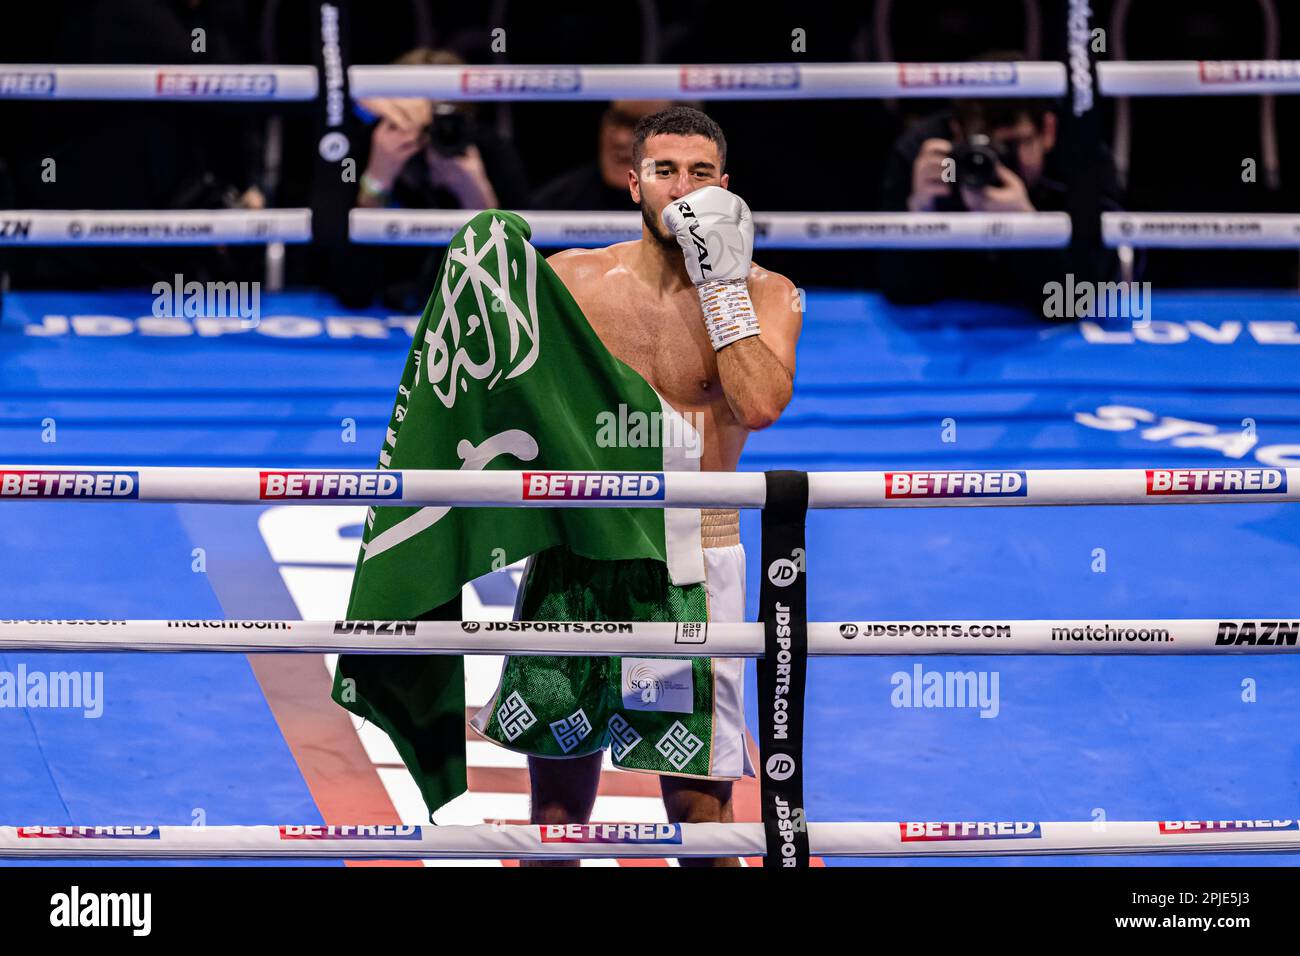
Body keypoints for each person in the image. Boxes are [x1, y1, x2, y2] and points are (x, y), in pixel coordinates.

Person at [470, 106, 802, 867]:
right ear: (632, 181)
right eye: (663, 171)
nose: (681, 189)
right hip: (575, 552)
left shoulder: (770, 294)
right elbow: (498, 405)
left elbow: (757, 404)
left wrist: (720, 288)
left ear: (726, 185)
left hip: (691, 562)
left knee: (700, 817)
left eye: (699, 173)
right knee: (553, 816)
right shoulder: (569, 282)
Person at [879, 88, 1123, 308]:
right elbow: (901, 294)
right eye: (986, 147)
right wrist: (920, 217)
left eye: (1015, 143)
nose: (999, 160)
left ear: (1048, 130)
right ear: (957, 132)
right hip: (952, 326)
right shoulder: (929, 159)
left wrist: (1028, 229)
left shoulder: (1079, 160)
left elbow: (1080, 300)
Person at [335, 48, 529, 309]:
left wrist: (478, 199)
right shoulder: (363, 149)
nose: (427, 137)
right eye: (412, 122)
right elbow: (350, 291)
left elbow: (515, 297)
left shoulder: (489, 152)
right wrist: (377, 182)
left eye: (440, 121)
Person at [530, 100, 673, 210]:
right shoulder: (554, 205)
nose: (621, 139)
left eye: (641, 125)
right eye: (616, 121)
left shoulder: (691, 207)